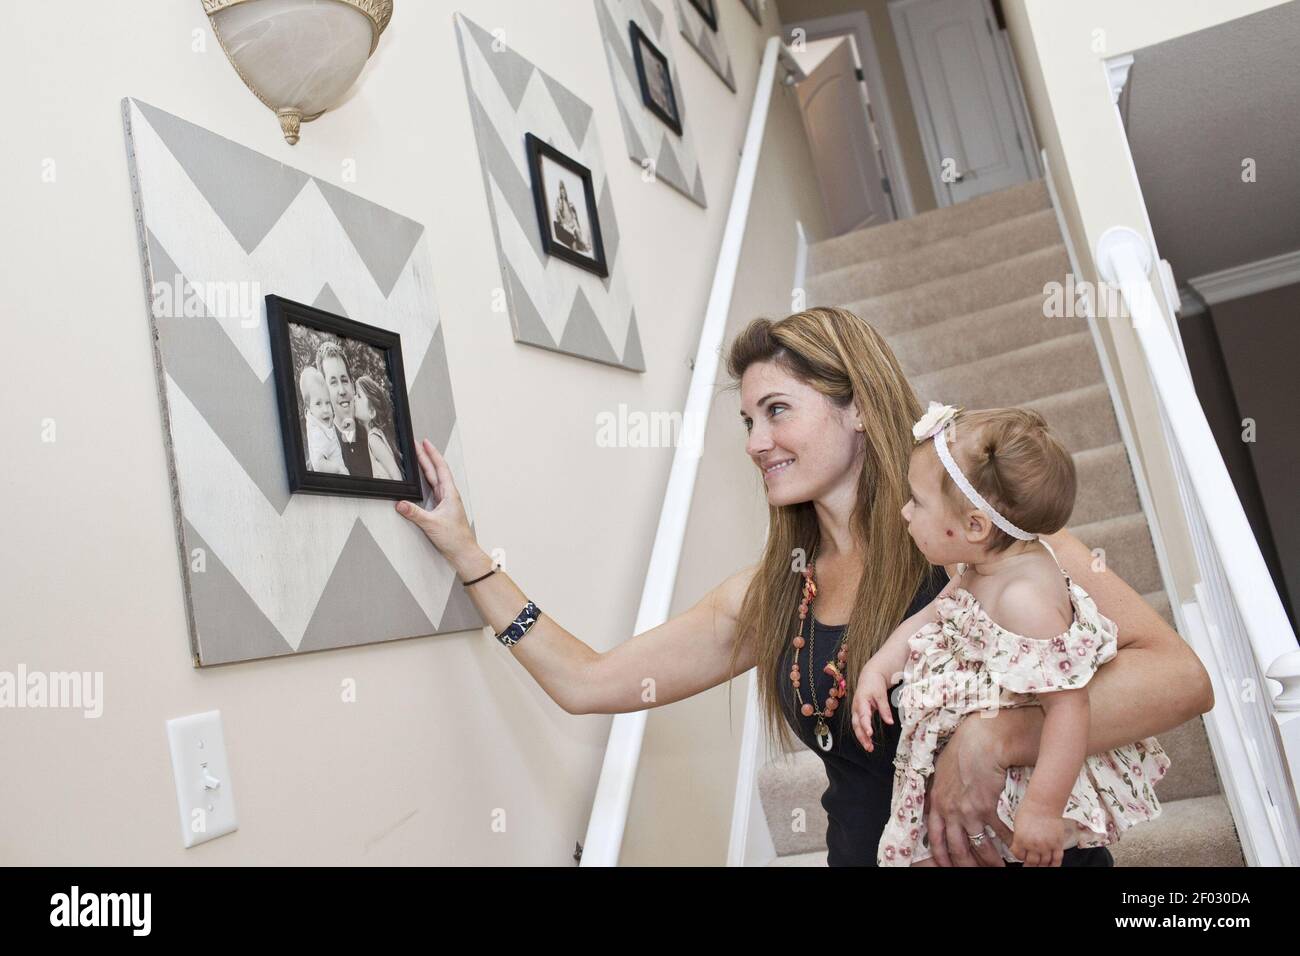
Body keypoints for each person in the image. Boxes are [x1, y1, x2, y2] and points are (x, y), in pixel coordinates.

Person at [393, 306, 1214, 866]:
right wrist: (469, 554)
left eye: (777, 412)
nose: (756, 442)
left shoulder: (981, 535)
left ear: (856, 408)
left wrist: (996, 740)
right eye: (747, 421)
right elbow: (585, 682)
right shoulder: (774, 593)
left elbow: (1179, 678)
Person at [859, 402, 1169, 867]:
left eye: (918, 502)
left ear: (975, 526)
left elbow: (1069, 712)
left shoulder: (1024, 598)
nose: (905, 512)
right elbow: (933, 616)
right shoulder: (983, 564)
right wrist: (879, 667)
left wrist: (1042, 810)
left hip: (1017, 793)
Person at [315, 340, 372, 478]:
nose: (342, 390)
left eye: (344, 380)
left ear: (352, 385)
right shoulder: (321, 456)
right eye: (333, 382)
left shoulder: (373, 437)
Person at [299, 366, 348, 475]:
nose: (325, 409)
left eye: (327, 402)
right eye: (318, 403)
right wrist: (339, 469)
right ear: (308, 409)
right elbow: (318, 463)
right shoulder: (316, 433)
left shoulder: (322, 423)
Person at [354, 374, 402, 481]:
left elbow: (396, 475)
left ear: (371, 412)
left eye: (359, 396)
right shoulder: (374, 436)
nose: (354, 398)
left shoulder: (373, 438)